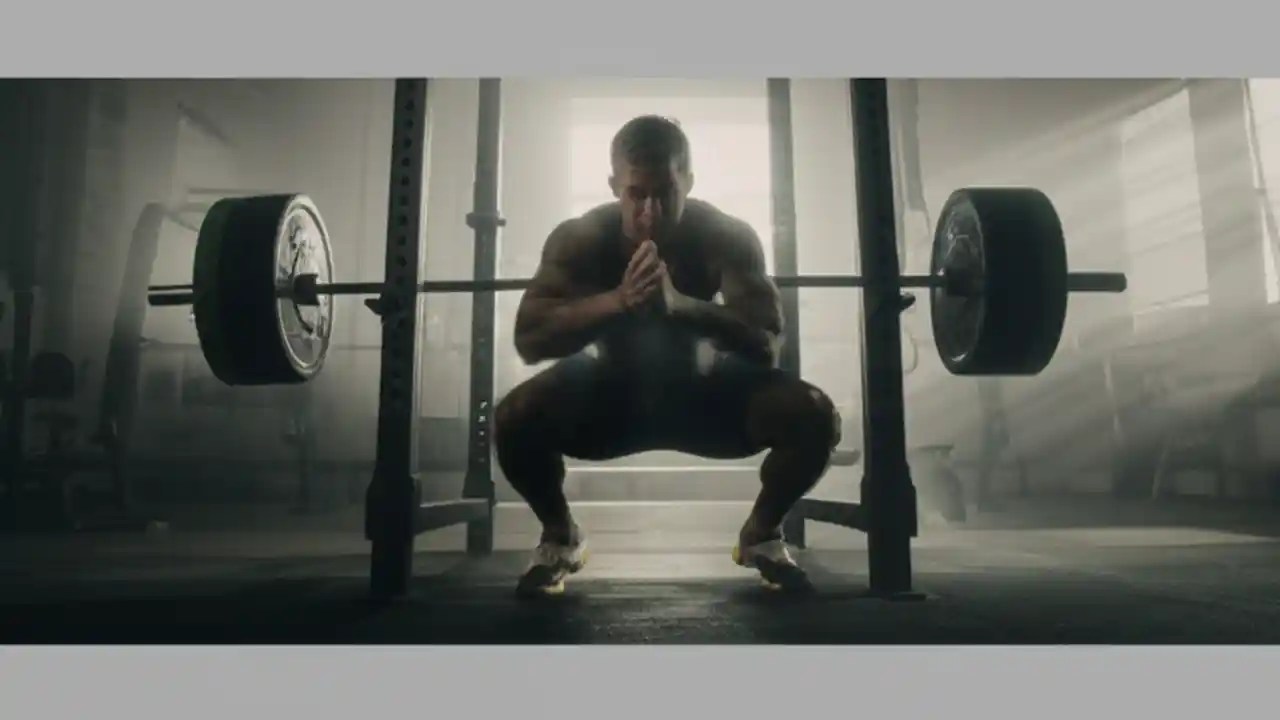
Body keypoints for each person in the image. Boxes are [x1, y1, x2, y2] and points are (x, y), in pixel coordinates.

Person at [494, 115, 843, 596]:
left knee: (815, 415)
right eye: (637, 194)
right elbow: (528, 338)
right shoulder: (580, 237)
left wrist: (682, 307)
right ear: (615, 185)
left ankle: (762, 535)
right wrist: (616, 302)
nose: (651, 211)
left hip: (707, 398)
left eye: (666, 193)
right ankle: (561, 539)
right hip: (610, 400)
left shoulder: (724, 234)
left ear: (689, 183)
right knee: (513, 417)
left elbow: (766, 343)